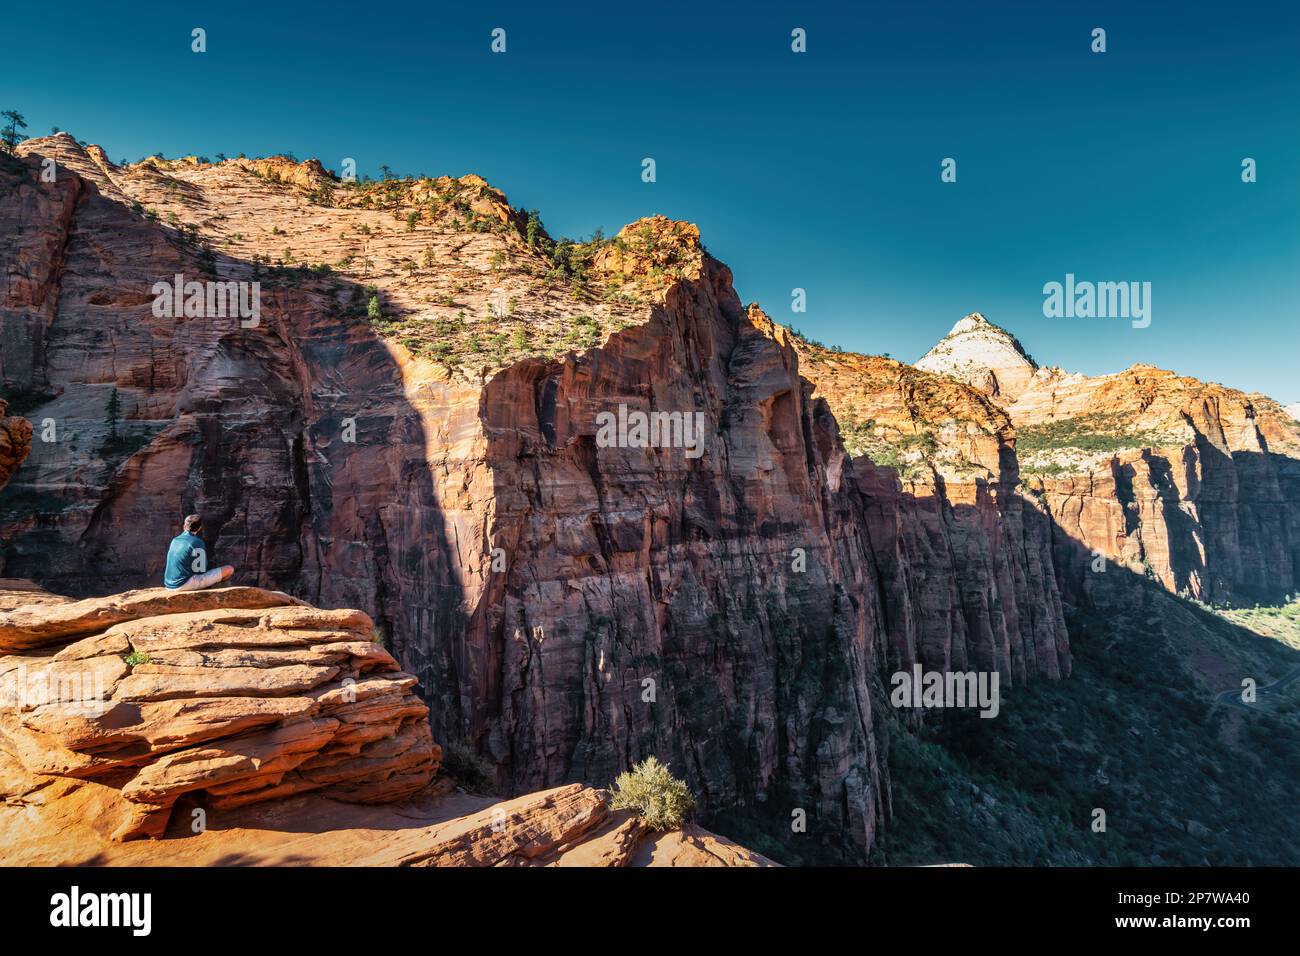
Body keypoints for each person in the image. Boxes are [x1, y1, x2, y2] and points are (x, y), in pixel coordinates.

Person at [163, 514, 234, 592]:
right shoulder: (197, 542)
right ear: (199, 528)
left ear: (184, 526)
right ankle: (218, 595)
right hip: (183, 585)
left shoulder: (175, 540)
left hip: (169, 584)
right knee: (229, 569)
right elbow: (200, 570)